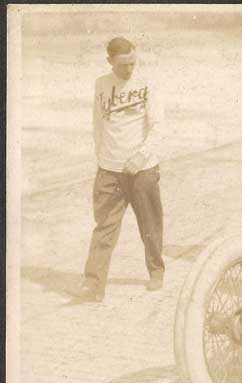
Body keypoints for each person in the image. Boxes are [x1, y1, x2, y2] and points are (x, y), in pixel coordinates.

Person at [76, 37, 165, 302]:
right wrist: (101, 159)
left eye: (133, 63)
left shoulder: (148, 84)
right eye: (123, 64)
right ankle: (93, 286)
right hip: (109, 170)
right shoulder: (101, 85)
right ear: (110, 61)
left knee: (150, 225)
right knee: (104, 228)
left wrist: (140, 156)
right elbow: (97, 124)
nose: (129, 69)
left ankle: (156, 271)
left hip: (142, 169)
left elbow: (158, 126)